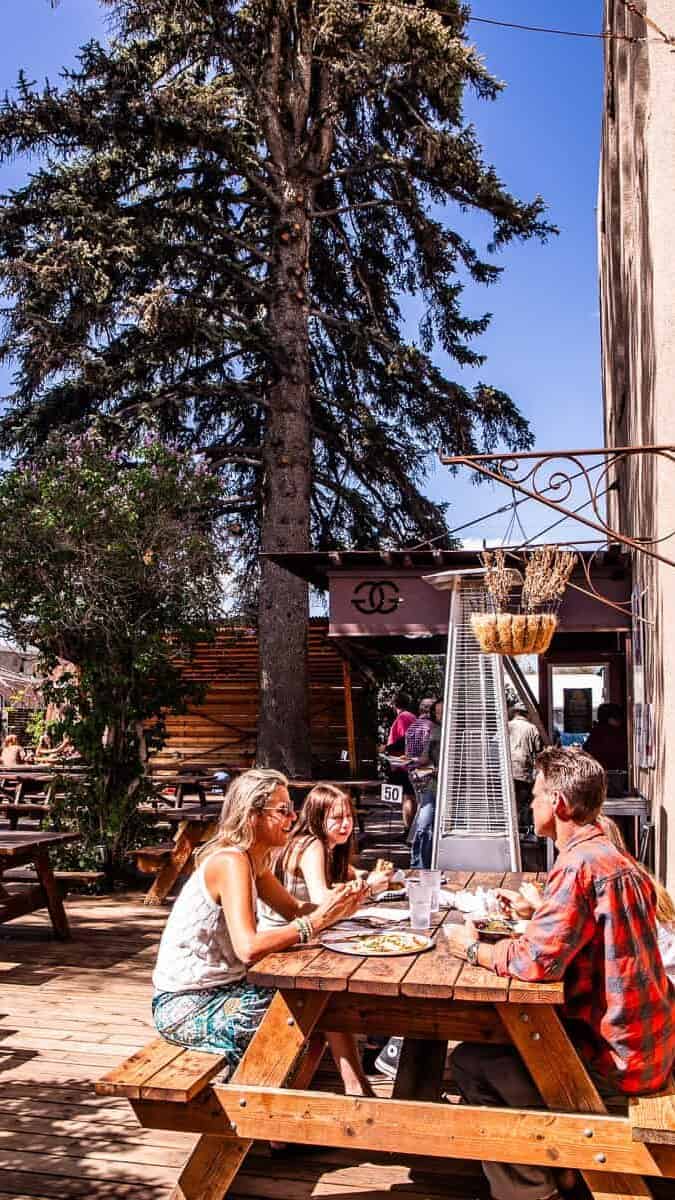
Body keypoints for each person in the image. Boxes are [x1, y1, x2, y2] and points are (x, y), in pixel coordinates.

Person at [445, 747, 675, 1200]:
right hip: (651, 1043)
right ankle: (560, 1169)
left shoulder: (578, 865)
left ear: (559, 804)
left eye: (534, 795)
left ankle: (534, 1188)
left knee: (471, 1061)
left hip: (615, 1059)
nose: (529, 803)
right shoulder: (615, 858)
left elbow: (536, 962)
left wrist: (471, 947)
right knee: (500, 1048)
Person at [152, 768, 366, 1077]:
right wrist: (317, 920)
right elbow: (249, 948)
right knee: (304, 1011)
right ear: (252, 815)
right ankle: (258, 1105)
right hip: (186, 1005)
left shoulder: (255, 861)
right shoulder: (230, 861)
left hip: (228, 989)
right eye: (282, 810)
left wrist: (339, 907)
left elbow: (295, 909)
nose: (293, 817)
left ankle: (350, 1089)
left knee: (318, 1001)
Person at [258, 783, 393, 1095]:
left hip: (297, 940)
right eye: (336, 818)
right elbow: (322, 903)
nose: (345, 824)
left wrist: (365, 880)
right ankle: (365, 1069)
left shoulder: (324, 847)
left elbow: (350, 876)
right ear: (317, 819)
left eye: (349, 817)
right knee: (341, 987)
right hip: (285, 945)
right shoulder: (311, 846)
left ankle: (360, 1076)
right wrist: (370, 889)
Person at [410, 698, 443, 870]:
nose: (439, 716)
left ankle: (428, 865)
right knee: (423, 825)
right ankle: (419, 867)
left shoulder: (461, 732)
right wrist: (412, 762)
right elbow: (425, 758)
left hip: (452, 789)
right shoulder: (435, 731)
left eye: (442, 712)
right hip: (432, 784)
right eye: (436, 713)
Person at [507, 702, 543, 832]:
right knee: (523, 803)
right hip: (523, 772)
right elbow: (538, 751)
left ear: (515, 712)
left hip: (507, 771)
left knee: (510, 803)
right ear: (527, 714)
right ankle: (523, 830)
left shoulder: (507, 726)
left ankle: (512, 829)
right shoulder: (532, 728)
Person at [584, 702, 627, 776]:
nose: (620, 721)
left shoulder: (595, 732)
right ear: (610, 719)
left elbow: (586, 750)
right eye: (617, 718)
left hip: (599, 773)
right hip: (616, 774)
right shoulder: (616, 733)